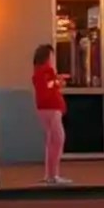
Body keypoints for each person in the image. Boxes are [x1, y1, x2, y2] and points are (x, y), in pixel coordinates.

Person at [32, 44, 69, 185]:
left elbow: (45, 86)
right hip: (52, 108)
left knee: (50, 142)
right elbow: (48, 86)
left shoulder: (38, 72)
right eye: (52, 56)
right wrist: (57, 81)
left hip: (44, 109)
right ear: (47, 57)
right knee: (58, 140)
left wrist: (56, 80)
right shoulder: (47, 71)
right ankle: (54, 175)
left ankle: (49, 174)